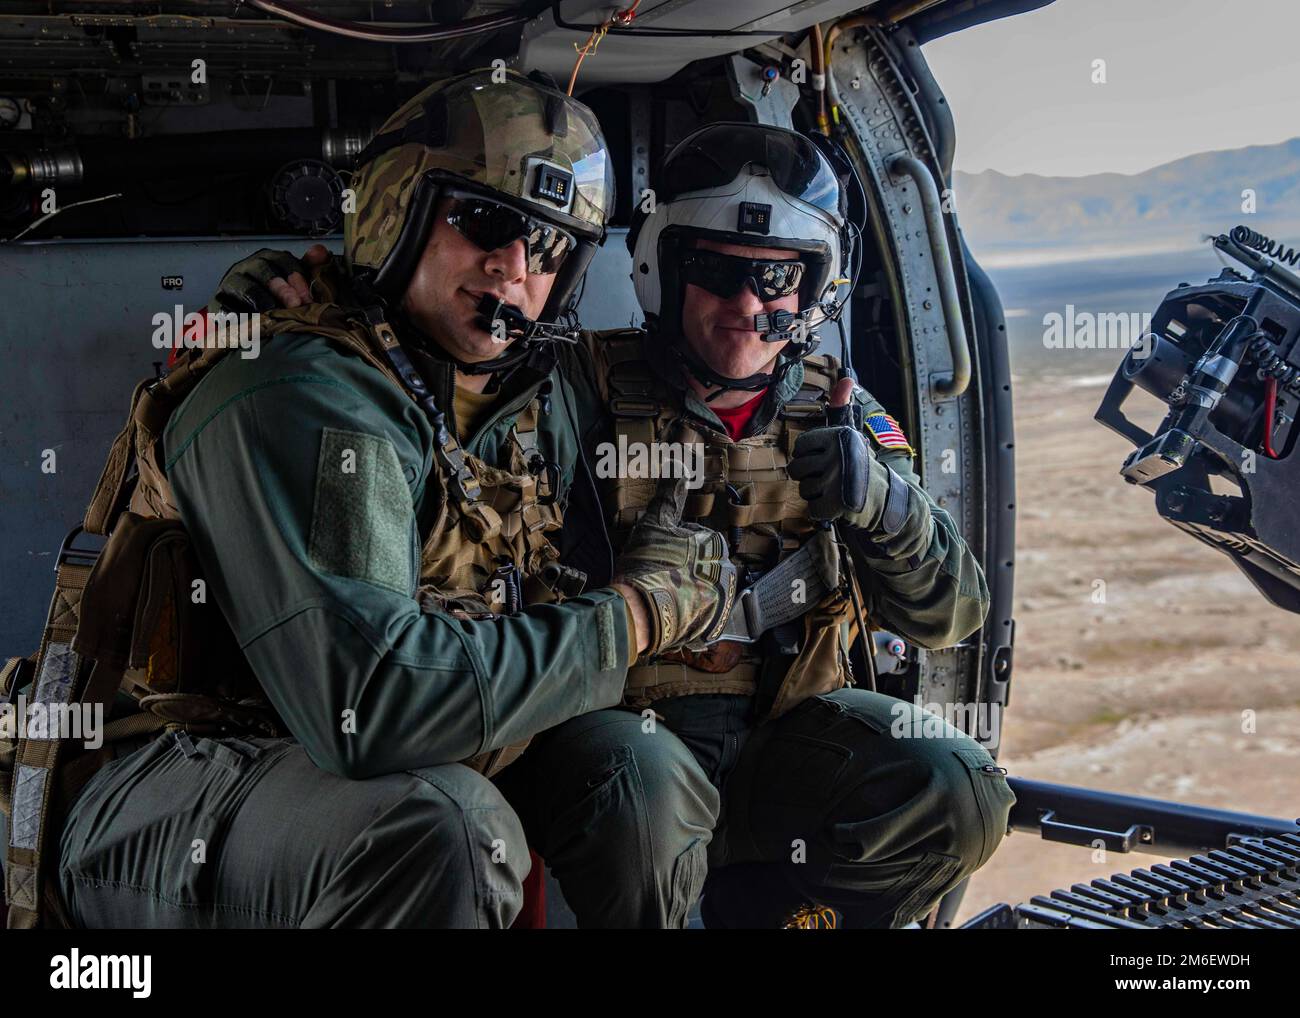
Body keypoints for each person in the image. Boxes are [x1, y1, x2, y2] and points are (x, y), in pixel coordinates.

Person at [207, 121, 1018, 928]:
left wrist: (883, 502)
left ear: (813, 289)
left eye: (777, 277)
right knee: (644, 784)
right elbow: (430, 370)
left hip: (791, 728)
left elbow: (950, 616)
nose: (746, 304)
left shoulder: (843, 412)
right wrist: (295, 300)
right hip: (616, 732)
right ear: (664, 268)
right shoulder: (570, 383)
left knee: (956, 786)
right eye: (714, 272)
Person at [0, 69, 733, 929]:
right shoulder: (298, 388)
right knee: (447, 828)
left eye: (549, 248)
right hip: (168, 778)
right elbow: (374, 710)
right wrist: (636, 619)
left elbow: (719, 366)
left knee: (641, 775)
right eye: (485, 221)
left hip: (376, 771)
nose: (514, 266)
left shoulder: (522, 393)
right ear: (398, 216)